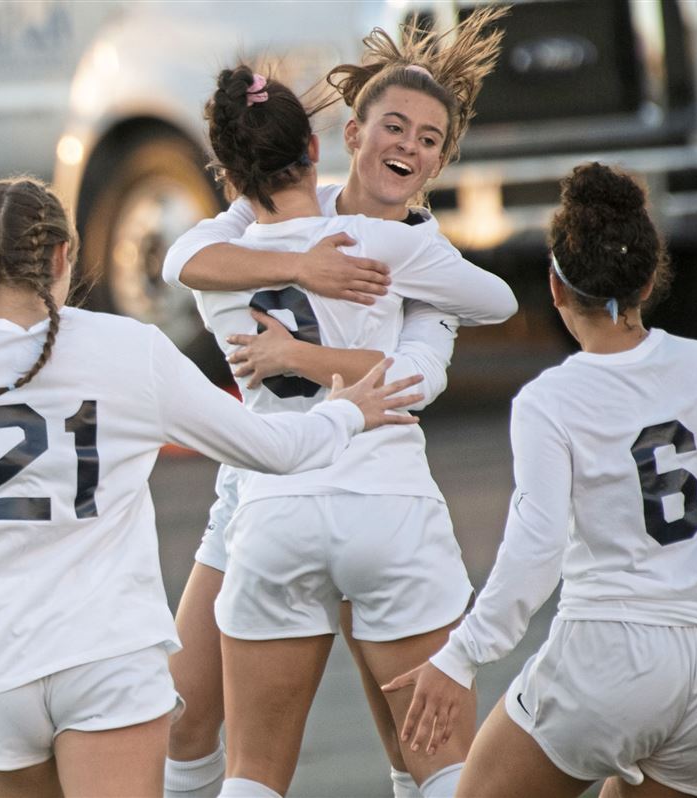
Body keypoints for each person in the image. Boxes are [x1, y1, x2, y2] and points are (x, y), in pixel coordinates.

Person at [0, 177, 428, 798]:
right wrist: (350, 410)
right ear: (63, 256)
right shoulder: (130, 350)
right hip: (107, 655)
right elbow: (277, 450)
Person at [385, 162, 697, 798]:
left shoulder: (550, 400)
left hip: (611, 658)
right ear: (649, 277)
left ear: (556, 288)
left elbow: (536, 551)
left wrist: (459, 657)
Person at [159, 11, 509, 798]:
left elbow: (183, 260)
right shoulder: (396, 249)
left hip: (285, 505)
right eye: (395, 127)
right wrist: (311, 274)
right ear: (341, 137)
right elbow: (489, 306)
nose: (409, 149)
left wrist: (294, 354)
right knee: (188, 718)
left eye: (428, 140)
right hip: (309, 497)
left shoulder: (407, 254)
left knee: (280, 767)